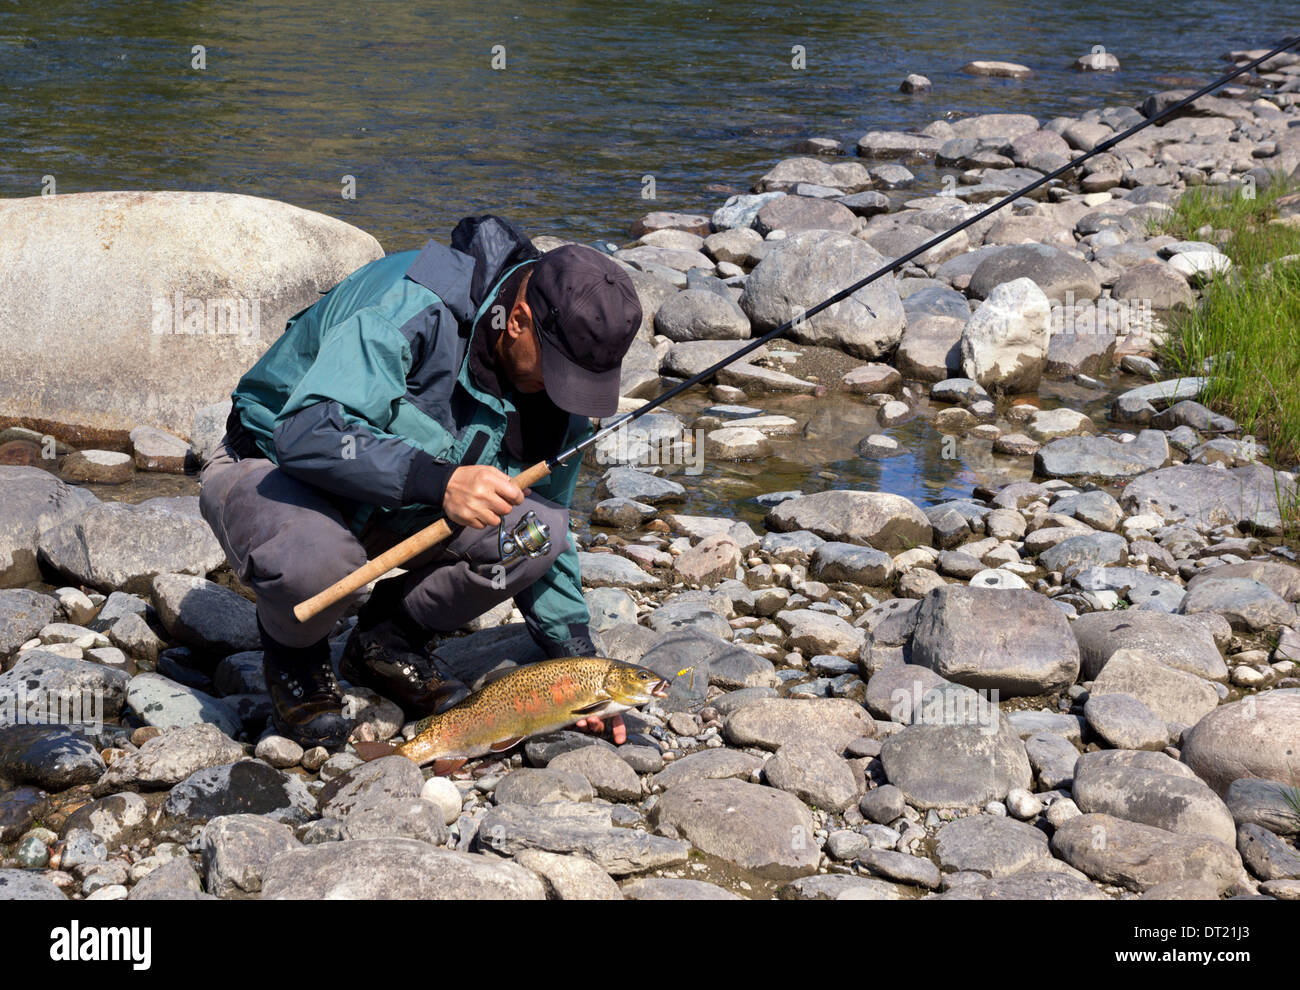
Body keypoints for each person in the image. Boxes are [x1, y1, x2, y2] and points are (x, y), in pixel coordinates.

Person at [197, 215, 641, 748]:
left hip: (395, 506)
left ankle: (386, 643)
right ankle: (296, 657)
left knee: (539, 532)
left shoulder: (558, 395)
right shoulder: (413, 302)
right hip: (274, 470)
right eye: (560, 372)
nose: (564, 394)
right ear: (519, 320)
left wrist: (580, 669)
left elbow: (548, 525)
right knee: (316, 561)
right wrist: (441, 483)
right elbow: (307, 431)